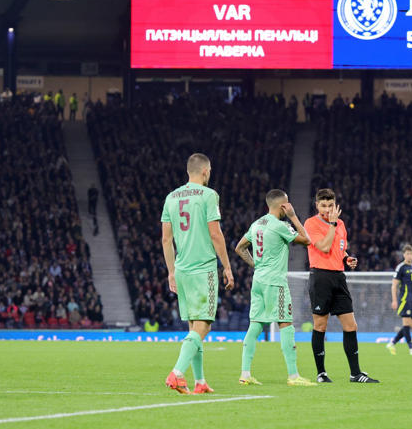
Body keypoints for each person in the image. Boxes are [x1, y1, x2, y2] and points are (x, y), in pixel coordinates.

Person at [161, 153, 234, 394]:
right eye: (210, 170)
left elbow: (166, 239)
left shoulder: (171, 197)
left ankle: (200, 381)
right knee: (204, 326)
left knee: (194, 325)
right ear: (205, 171)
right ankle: (177, 372)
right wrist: (227, 266)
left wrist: (171, 272)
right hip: (203, 269)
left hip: (182, 269)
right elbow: (216, 234)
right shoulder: (209, 195)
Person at [234, 189, 316, 386]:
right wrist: (294, 216)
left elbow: (239, 248)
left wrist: (256, 265)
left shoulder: (257, 224)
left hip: (258, 281)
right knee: (286, 324)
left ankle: (245, 374)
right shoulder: (280, 225)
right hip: (275, 282)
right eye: (286, 204)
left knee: (255, 325)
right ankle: (294, 376)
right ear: (282, 206)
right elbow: (306, 240)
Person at [304, 188, 379, 383]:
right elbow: (323, 247)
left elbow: (339, 249)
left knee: (351, 324)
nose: (327, 209)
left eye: (330, 205)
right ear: (317, 205)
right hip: (320, 277)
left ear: (335, 204)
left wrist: (347, 258)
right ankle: (321, 373)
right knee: (320, 325)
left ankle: (355, 373)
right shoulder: (311, 224)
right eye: (323, 205)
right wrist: (332, 224)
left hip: (338, 276)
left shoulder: (341, 224)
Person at [386, 244, 412, 355]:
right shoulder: (401, 267)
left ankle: (392, 343)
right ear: (404, 255)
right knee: (406, 324)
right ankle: (411, 349)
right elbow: (394, 285)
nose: (409, 255)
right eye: (407, 253)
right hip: (404, 299)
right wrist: (394, 300)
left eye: (411, 253)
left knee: (410, 326)